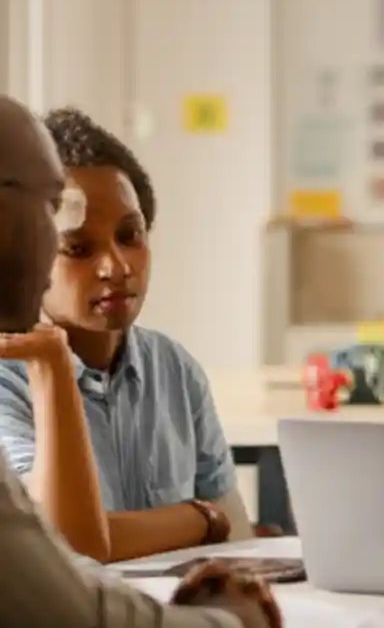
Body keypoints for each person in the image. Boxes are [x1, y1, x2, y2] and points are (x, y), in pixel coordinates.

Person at [0, 94, 280, 627]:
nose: (115, 267)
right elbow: (72, 544)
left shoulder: (175, 368)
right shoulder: (14, 373)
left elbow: (236, 535)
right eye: (77, 248)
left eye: (131, 237)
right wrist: (200, 517)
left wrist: (204, 524)